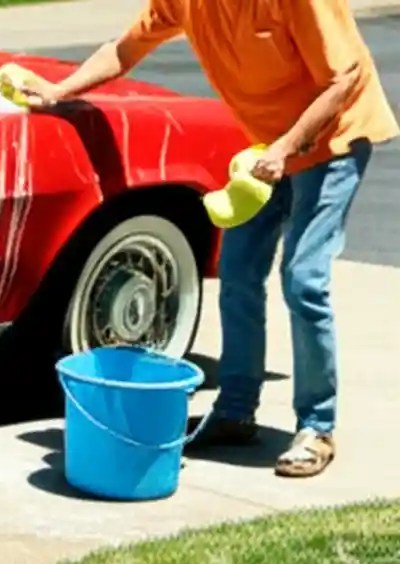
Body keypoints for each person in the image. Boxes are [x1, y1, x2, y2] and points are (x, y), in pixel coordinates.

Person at [21, 0, 398, 478]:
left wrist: (287, 146)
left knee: (304, 278)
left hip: (333, 140)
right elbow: (125, 47)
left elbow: (343, 78)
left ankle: (317, 427)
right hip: (264, 148)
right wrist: (58, 91)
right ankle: (236, 413)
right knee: (239, 272)